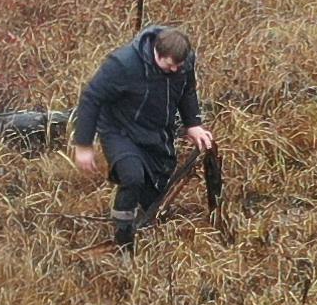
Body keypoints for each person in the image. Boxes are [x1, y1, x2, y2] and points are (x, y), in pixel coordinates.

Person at [70, 23, 213, 242]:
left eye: (179, 65)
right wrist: (83, 145)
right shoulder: (122, 64)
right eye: (170, 65)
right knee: (133, 177)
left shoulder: (184, 62)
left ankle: (148, 227)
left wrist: (193, 124)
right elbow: (92, 98)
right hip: (120, 130)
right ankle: (123, 240)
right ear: (157, 52)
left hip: (155, 131)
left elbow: (187, 91)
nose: (175, 70)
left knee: (155, 193)